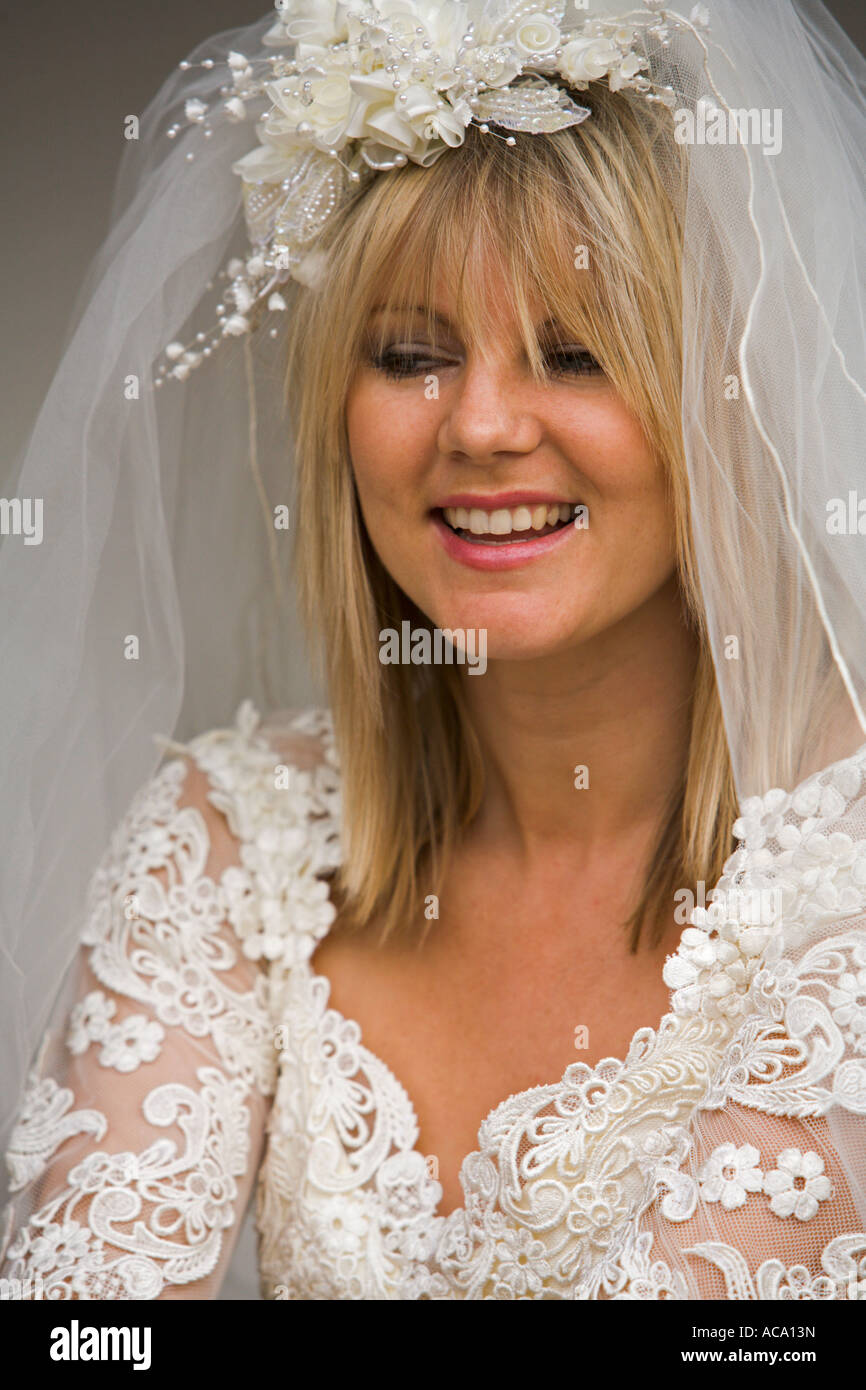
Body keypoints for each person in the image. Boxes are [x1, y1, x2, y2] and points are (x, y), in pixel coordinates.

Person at [1, 0, 866, 1301]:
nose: (478, 422)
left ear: (721, 404)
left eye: (574, 354)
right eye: (410, 353)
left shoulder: (843, 873)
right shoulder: (233, 841)